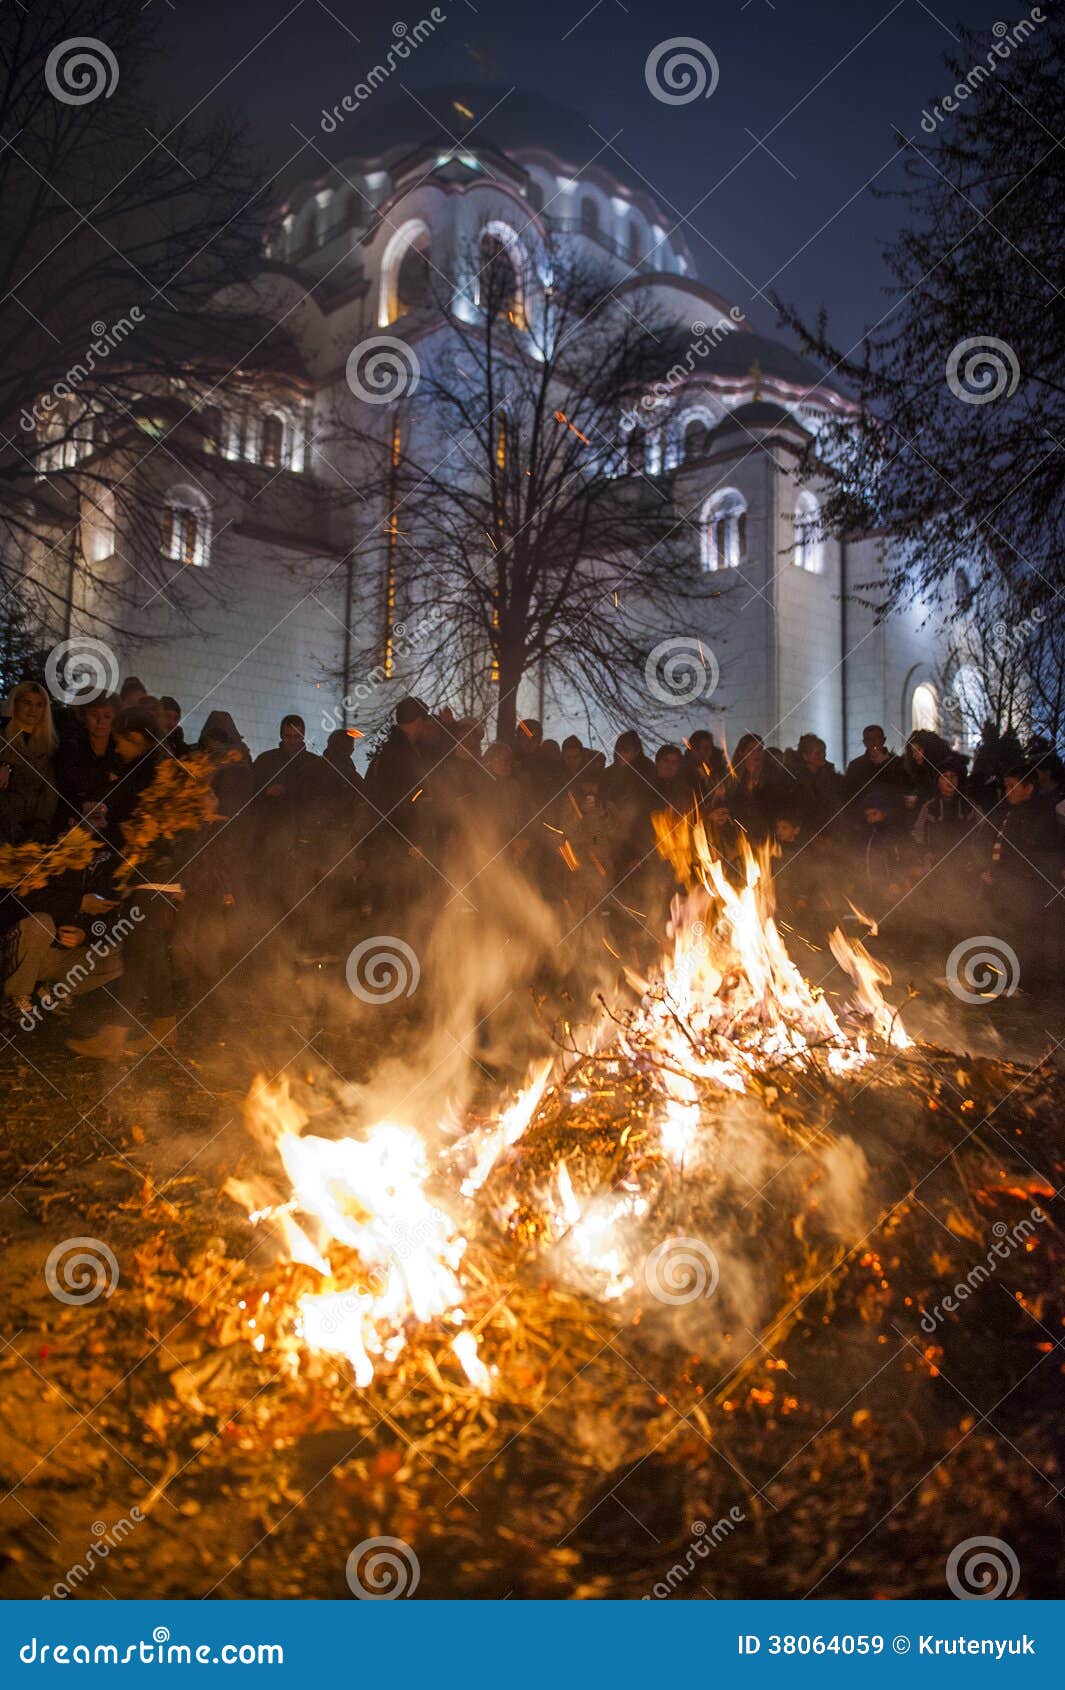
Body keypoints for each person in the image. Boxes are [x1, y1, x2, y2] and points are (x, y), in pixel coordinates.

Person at [67, 706, 183, 1059]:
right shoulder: (154, 768)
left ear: (136, 737)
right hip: (155, 875)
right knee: (147, 954)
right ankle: (165, 1029)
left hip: (152, 875)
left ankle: (115, 1035)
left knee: (137, 954)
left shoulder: (147, 771)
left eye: (121, 739)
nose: (116, 746)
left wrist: (105, 824)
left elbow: (139, 825)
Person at [0, 681, 59, 844]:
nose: (33, 710)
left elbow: (50, 790)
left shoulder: (49, 745)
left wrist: (40, 825)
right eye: (27, 703)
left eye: (39, 705)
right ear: (15, 704)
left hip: (33, 834)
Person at [55, 694, 120, 822]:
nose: (100, 721)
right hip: (73, 820)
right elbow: (63, 789)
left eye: (107, 716)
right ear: (84, 718)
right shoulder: (70, 748)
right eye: (94, 715)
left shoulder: (120, 750)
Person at [843, 724, 901, 803]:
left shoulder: (897, 762)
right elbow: (849, 794)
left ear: (884, 740)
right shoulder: (856, 765)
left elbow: (901, 787)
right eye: (868, 739)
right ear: (864, 742)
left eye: (877, 738)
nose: (873, 742)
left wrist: (885, 763)